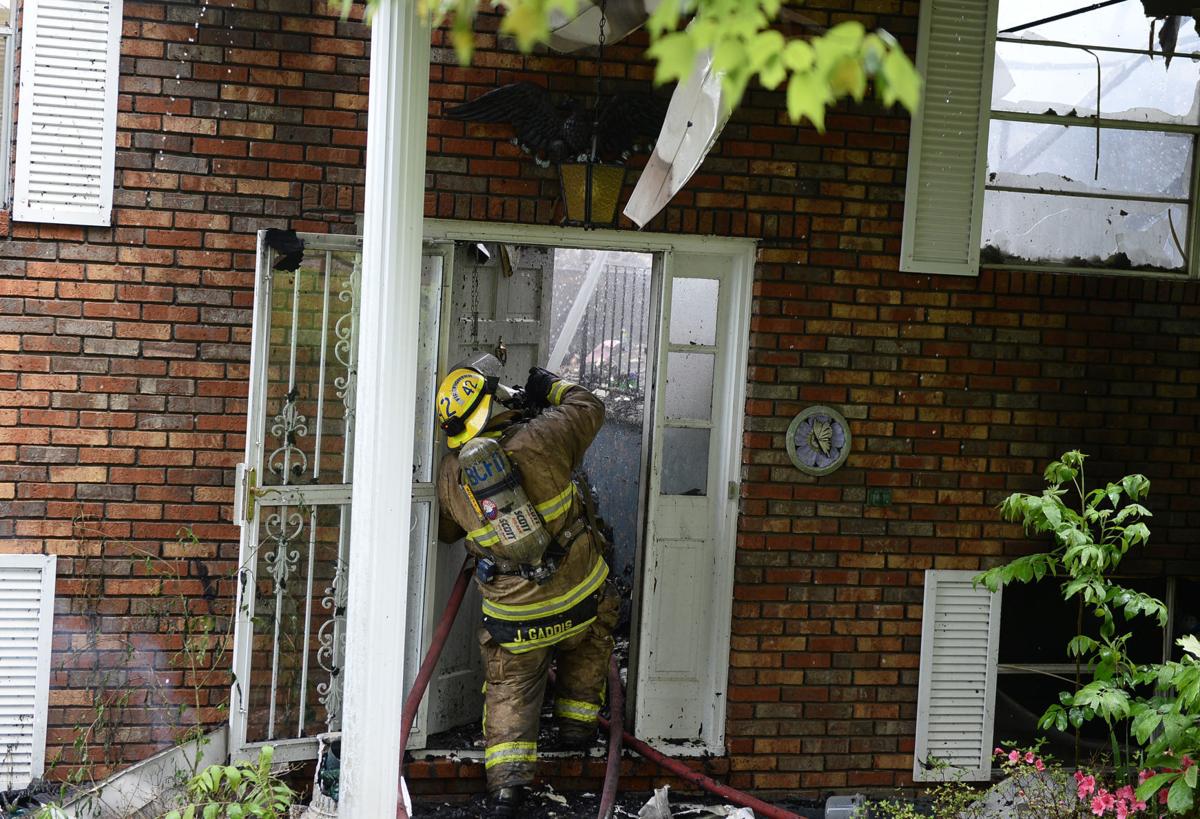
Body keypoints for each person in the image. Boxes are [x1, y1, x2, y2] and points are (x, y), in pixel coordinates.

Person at [434, 353, 619, 818]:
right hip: (581, 598)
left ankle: (508, 790)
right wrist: (548, 387)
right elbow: (590, 406)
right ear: (494, 401)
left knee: (510, 690)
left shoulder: (451, 473)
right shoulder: (545, 435)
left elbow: (448, 532)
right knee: (589, 647)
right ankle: (578, 733)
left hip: (515, 619)